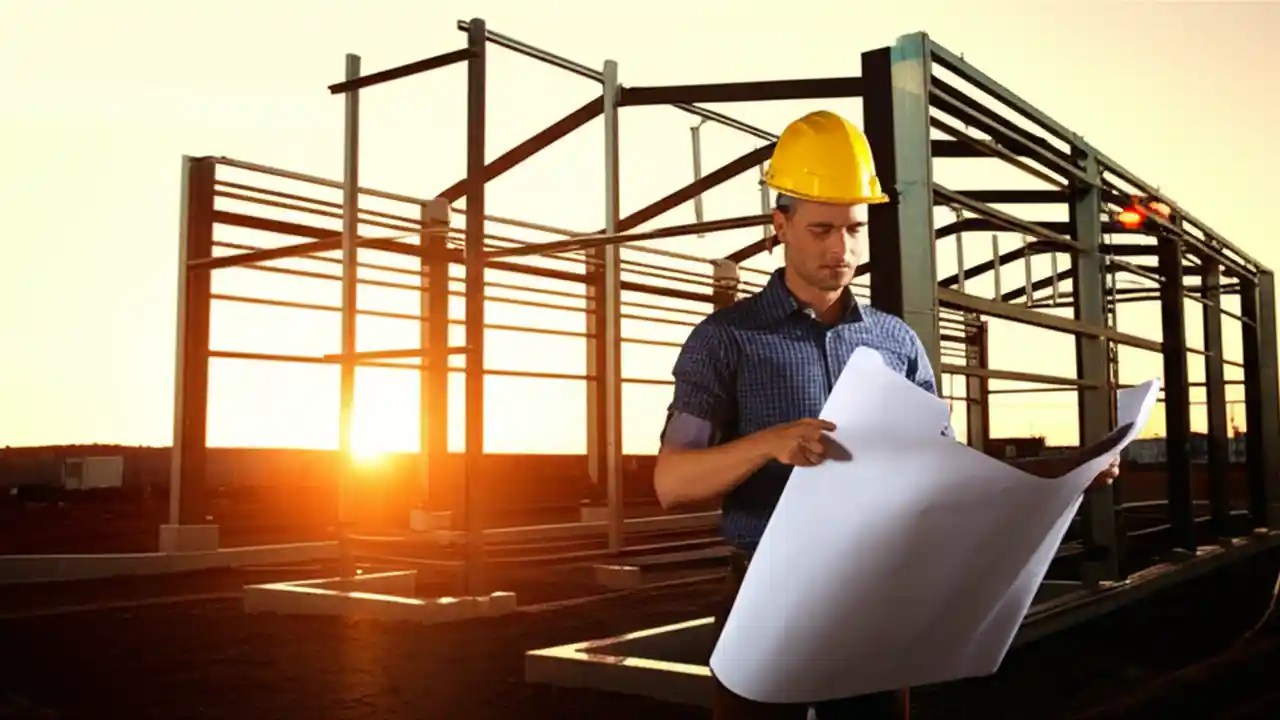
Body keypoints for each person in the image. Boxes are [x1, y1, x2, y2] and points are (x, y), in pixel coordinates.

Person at [653, 109, 1121, 719]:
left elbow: (944, 469)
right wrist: (767, 444)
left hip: (879, 590)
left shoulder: (895, 342)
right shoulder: (726, 341)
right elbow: (671, 482)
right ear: (779, 225)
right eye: (821, 229)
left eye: (853, 229)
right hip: (768, 593)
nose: (839, 249)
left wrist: (1065, 474)